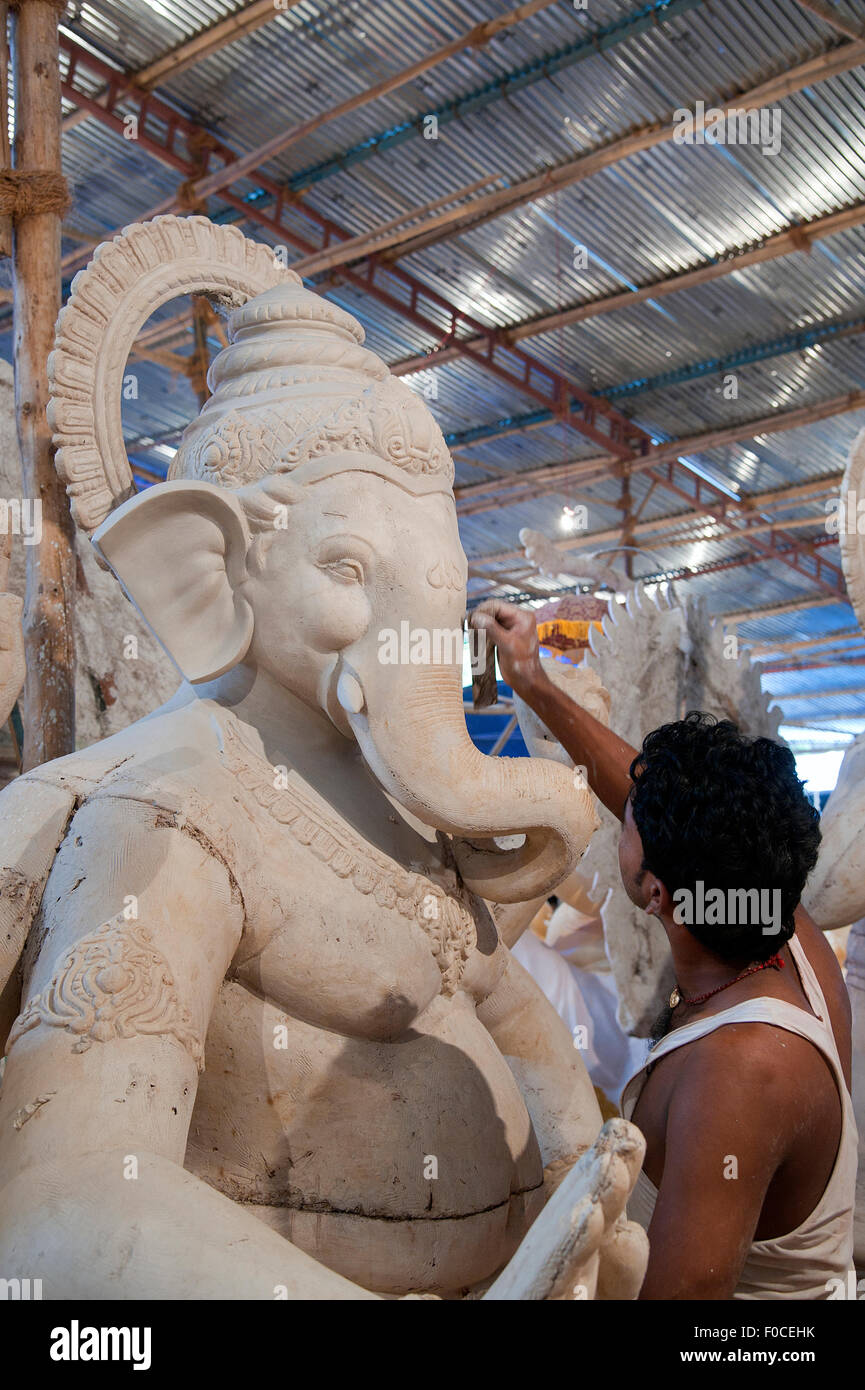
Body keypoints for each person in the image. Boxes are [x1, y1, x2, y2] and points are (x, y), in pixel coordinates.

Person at [470, 598, 856, 1300]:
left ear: (653, 893)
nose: (623, 813)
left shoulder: (735, 1075)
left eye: (630, 827)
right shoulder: (776, 914)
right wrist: (535, 681)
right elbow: (646, 795)